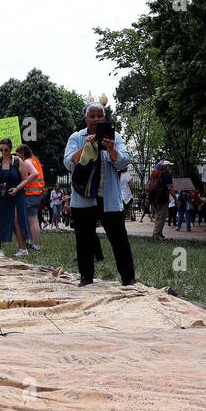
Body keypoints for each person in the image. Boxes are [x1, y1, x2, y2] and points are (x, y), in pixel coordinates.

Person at [64, 103, 136, 287]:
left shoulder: (115, 136)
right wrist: (85, 147)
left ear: (104, 118)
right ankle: (86, 278)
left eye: (100, 116)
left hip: (109, 197)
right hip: (83, 198)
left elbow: (124, 161)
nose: (96, 119)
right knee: (84, 240)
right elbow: (68, 163)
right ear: (86, 118)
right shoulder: (76, 137)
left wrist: (112, 149)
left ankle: (128, 278)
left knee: (119, 239)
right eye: (92, 116)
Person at [0, 140, 29, 258]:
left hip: (15, 194)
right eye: (1, 150)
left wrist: (17, 188)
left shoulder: (17, 161)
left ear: (10, 149)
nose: (3, 152)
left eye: (6, 150)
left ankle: (23, 249)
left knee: (16, 220)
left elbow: (25, 179)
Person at [16, 144, 45, 250]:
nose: (18, 158)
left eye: (19, 155)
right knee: (34, 220)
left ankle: (35, 244)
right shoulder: (34, 160)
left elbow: (34, 174)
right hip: (37, 193)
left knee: (32, 220)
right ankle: (33, 242)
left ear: (23, 153)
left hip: (31, 195)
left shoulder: (27, 162)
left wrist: (25, 181)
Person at [147, 161, 172, 239]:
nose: (170, 167)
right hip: (162, 198)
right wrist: (175, 199)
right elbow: (170, 188)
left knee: (158, 216)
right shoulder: (166, 174)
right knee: (161, 217)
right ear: (165, 166)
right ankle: (156, 235)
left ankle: (158, 233)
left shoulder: (154, 174)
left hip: (154, 198)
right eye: (169, 166)